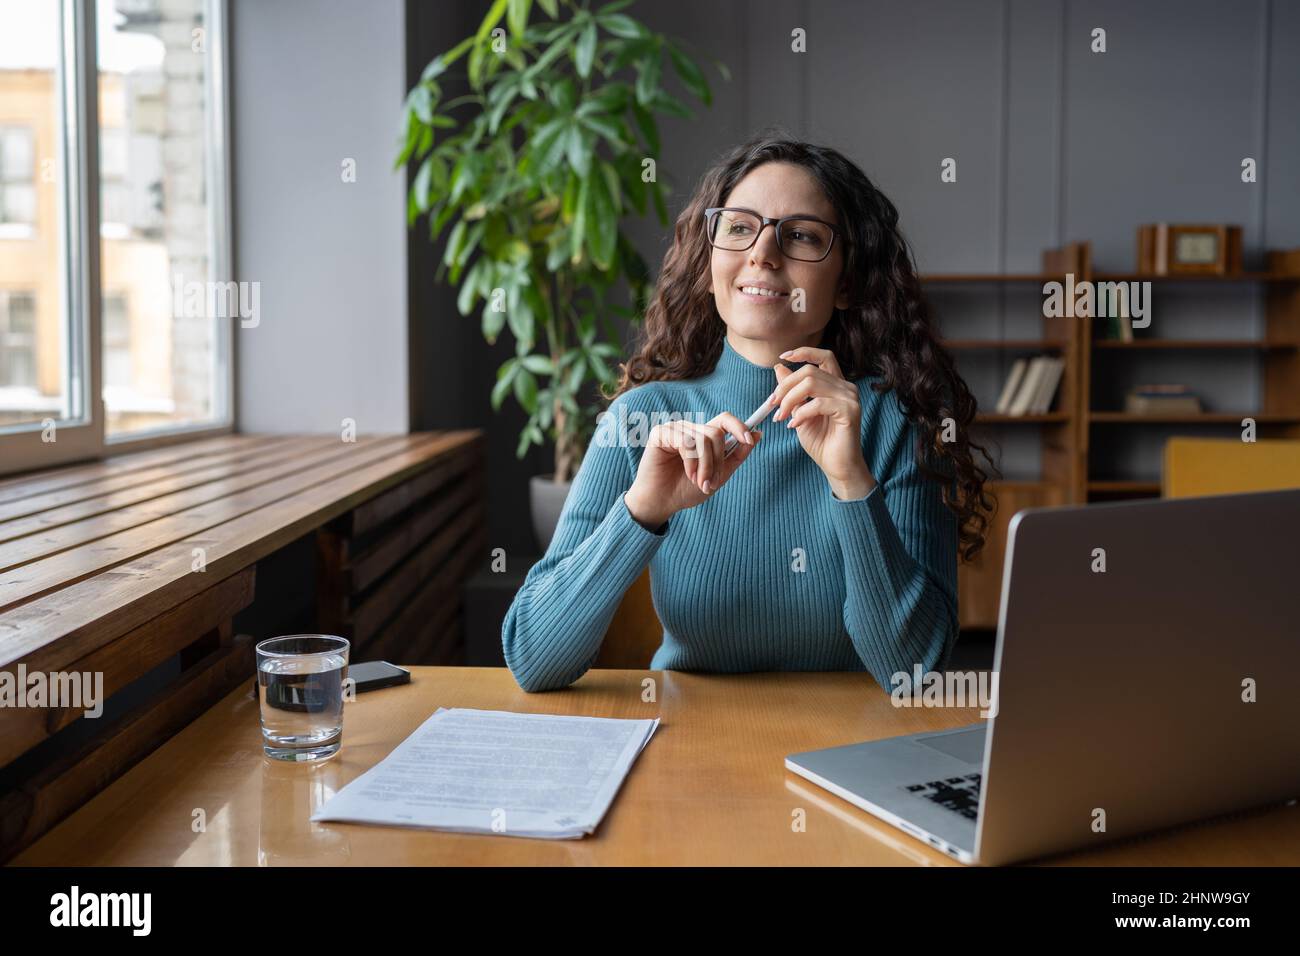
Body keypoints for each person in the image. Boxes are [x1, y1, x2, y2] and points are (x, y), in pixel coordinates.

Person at [503, 133, 996, 693]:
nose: (762, 253)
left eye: (801, 236)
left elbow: (914, 676)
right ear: (710, 258)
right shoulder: (641, 421)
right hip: (687, 748)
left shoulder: (892, 423)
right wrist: (642, 510)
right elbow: (532, 660)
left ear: (847, 282)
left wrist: (851, 481)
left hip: (848, 755)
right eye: (739, 227)